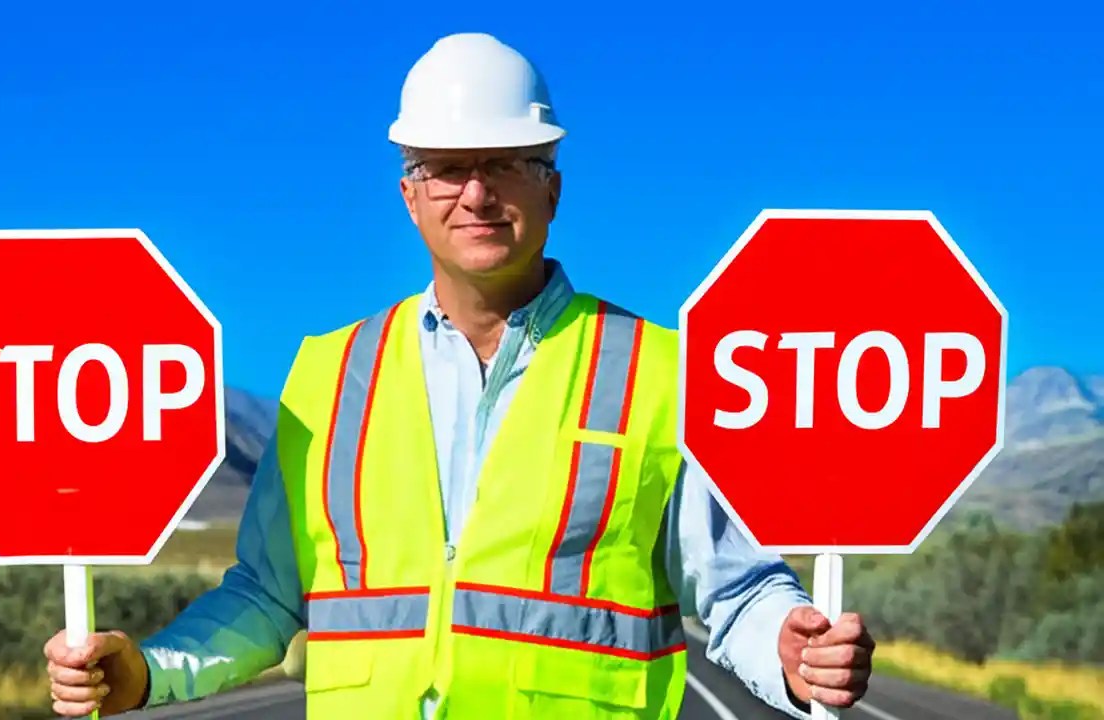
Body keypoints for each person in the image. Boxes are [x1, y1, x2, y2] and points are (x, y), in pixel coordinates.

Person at [44, 32, 875, 719]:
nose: (475, 193)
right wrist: (148, 672)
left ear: (552, 188)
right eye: (446, 166)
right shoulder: (327, 378)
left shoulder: (659, 372)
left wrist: (792, 654)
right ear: (410, 194)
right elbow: (267, 597)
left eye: (505, 163)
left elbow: (736, 593)